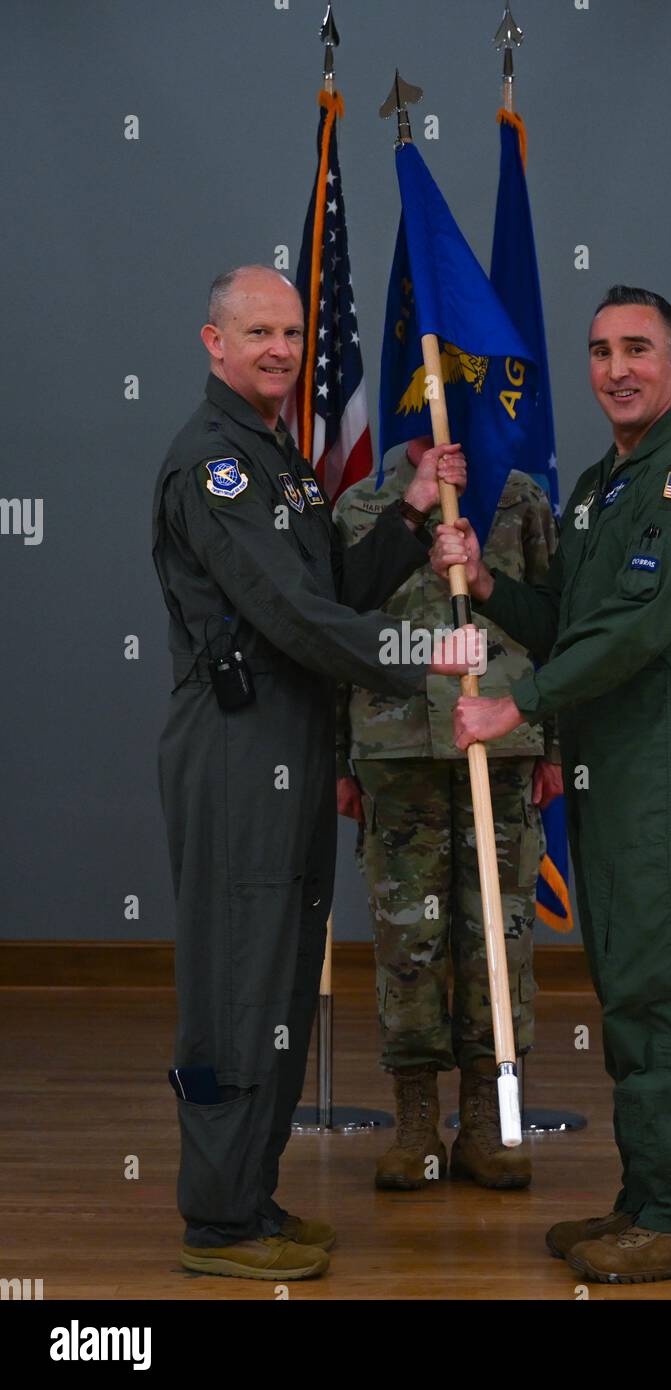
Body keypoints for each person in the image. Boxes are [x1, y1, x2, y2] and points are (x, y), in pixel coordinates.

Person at [151, 265, 470, 1281]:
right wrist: (419, 652)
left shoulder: (275, 455)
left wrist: (412, 516)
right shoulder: (216, 464)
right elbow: (289, 618)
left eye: (291, 332)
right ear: (213, 342)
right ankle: (217, 1219)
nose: (282, 350)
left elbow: (319, 587)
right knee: (238, 978)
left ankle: (251, 1191)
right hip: (238, 751)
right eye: (258, 334)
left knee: (282, 979)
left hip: (286, 744)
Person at [431, 285, 671, 1284]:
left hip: (658, 754)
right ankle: (646, 1197)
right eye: (600, 350)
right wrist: (488, 586)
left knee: (660, 988)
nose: (616, 368)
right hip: (610, 758)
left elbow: (635, 631)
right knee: (627, 985)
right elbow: (573, 614)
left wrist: (511, 706)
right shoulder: (600, 484)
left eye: (637, 350)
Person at [333, 436, 563, 1191]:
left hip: (500, 745)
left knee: (496, 935)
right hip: (396, 751)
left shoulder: (520, 498)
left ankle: (490, 1123)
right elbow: (335, 633)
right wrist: (341, 758)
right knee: (410, 943)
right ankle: (416, 1124)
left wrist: (555, 743)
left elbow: (558, 625)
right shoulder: (363, 505)